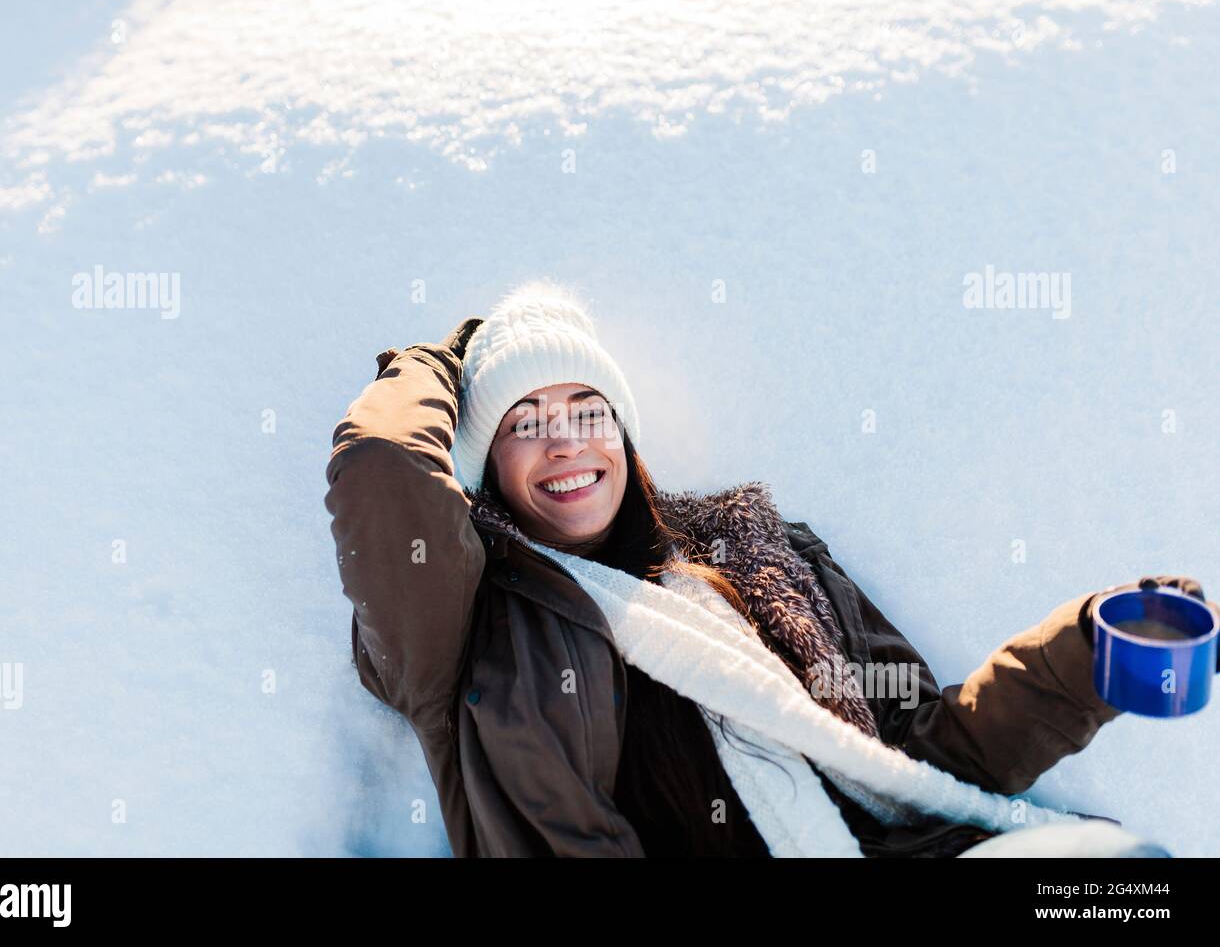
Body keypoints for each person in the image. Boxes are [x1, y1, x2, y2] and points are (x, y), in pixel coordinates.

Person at [324, 280, 1213, 857]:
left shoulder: (758, 559)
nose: (566, 442)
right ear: (486, 464)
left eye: (589, 409)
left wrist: (1084, 655)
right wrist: (452, 355)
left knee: (1123, 883)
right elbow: (381, 471)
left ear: (625, 437)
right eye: (524, 421)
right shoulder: (464, 621)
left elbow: (928, 759)